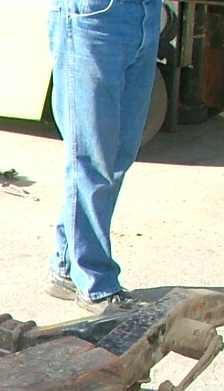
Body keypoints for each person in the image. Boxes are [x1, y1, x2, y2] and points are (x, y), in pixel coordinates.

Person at [46, 0, 161, 314]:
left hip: (145, 12)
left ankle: (67, 267)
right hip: (95, 15)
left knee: (117, 155)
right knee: (91, 157)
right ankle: (95, 284)